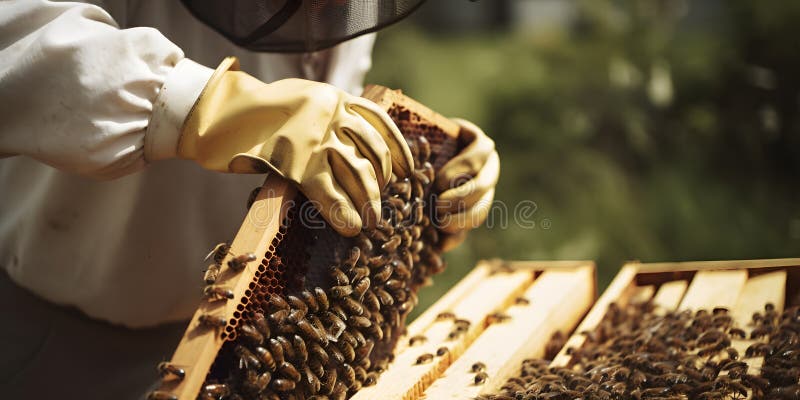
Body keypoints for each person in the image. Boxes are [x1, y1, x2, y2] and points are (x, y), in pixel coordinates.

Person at [0, 1, 499, 398]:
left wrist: (427, 177)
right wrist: (207, 108)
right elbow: (18, 42)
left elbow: (320, 131)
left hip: (244, 346)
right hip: (60, 343)